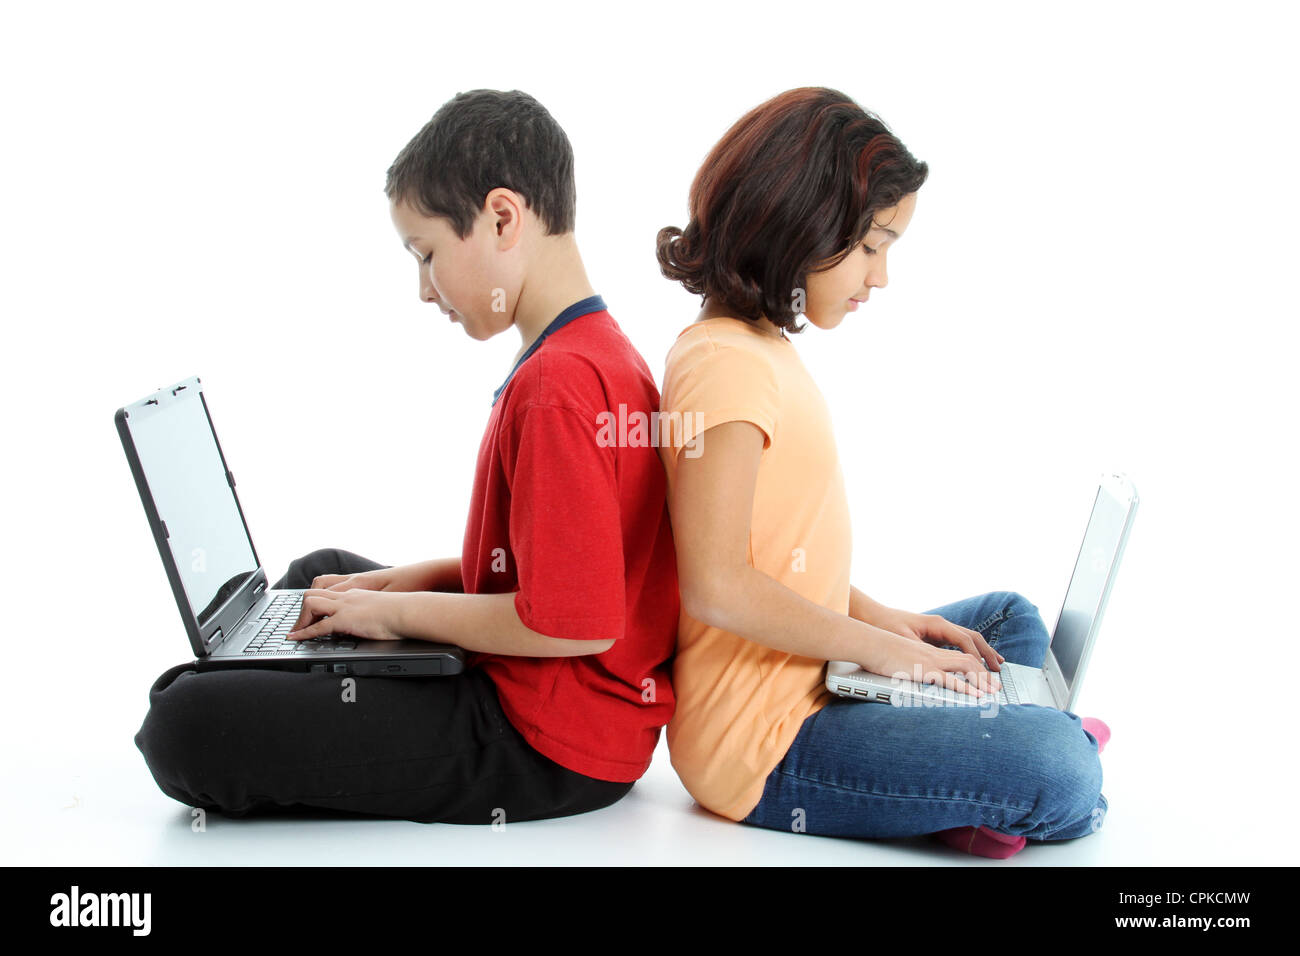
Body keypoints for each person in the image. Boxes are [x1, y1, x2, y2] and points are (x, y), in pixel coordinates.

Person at [134, 89, 678, 825]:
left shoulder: (558, 384)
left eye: (426, 255)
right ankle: (280, 661)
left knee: (182, 721)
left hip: (542, 740)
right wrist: (414, 585)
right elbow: (559, 568)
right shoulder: (591, 353)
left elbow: (575, 623)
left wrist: (404, 619)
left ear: (503, 218)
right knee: (318, 576)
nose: (424, 289)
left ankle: (252, 684)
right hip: (565, 710)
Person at [653, 87, 1108, 858]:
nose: (882, 276)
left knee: (1003, 622)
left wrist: (883, 623)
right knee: (1059, 769)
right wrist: (886, 652)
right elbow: (717, 584)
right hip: (767, 743)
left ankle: (972, 780)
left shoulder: (757, 348)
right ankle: (1010, 765)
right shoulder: (723, 368)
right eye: (872, 245)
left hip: (814, 677)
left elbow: (776, 559)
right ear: (799, 220)